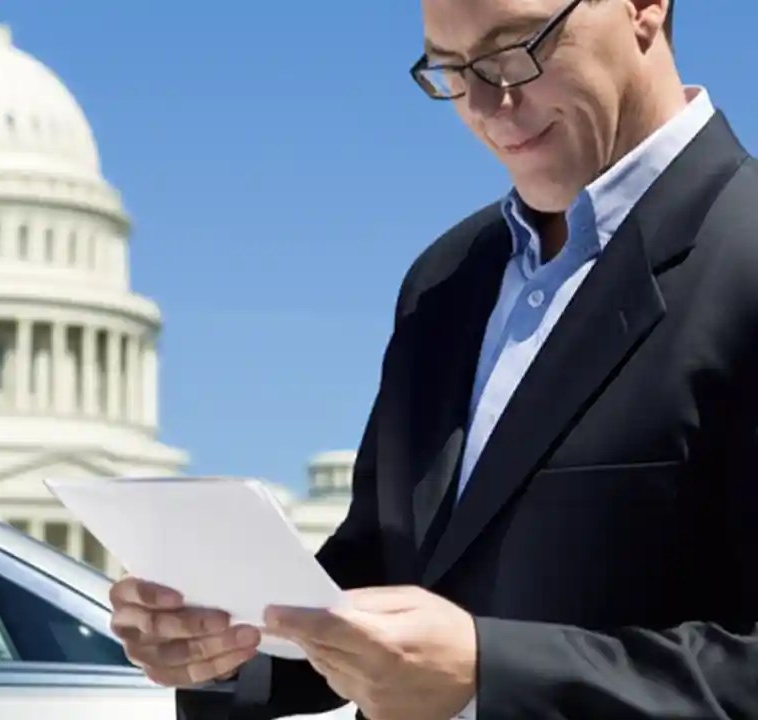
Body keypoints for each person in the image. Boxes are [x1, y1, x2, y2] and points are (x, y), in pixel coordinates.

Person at [110, 0, 758, 718]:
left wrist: (490, 676)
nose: (484, 105)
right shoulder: (445, 279)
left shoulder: (746, 255)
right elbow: (379, 576)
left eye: (516, 49)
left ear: (644, 8)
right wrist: (226, 646)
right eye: (450, 69)